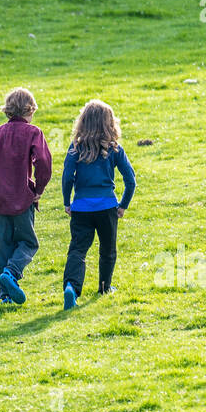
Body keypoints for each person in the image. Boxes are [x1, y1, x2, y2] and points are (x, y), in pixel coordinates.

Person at [0, 87, 51, 304]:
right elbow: (43, 162)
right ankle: (12, 272)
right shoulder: (33, 132)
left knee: (1, 247)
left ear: (7, 110)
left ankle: (5, 295)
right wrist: (39, 189)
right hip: (22, 198)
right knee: (28, 242)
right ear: (30, 109)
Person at [60, 99, 136, 310]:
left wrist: (67, 201)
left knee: (77, 249)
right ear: (109, 123)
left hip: (81, 207)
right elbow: (131, 180)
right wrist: (123, 205)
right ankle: (104, 286)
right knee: (107, 250)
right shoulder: (114, 149)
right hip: (107, 208)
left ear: (83, 122)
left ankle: (71, 288)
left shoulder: (75, 148)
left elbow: (67, 177)